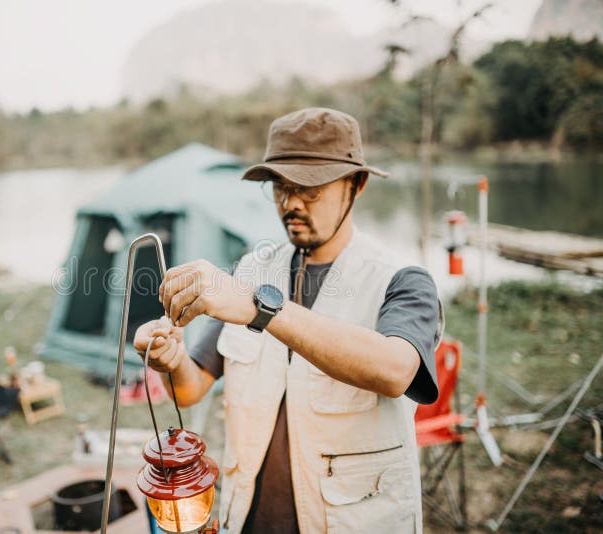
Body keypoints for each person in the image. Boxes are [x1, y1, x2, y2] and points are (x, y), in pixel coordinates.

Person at [134, 107, 442, 533]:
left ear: (357, 184)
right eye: (280, 187)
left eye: (310, 190)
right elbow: (190, 389)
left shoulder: (400, 280)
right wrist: (170, 359)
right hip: (248, 520)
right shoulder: (251, 273)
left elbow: (395, 371)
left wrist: (260, 308)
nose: (291, 203)